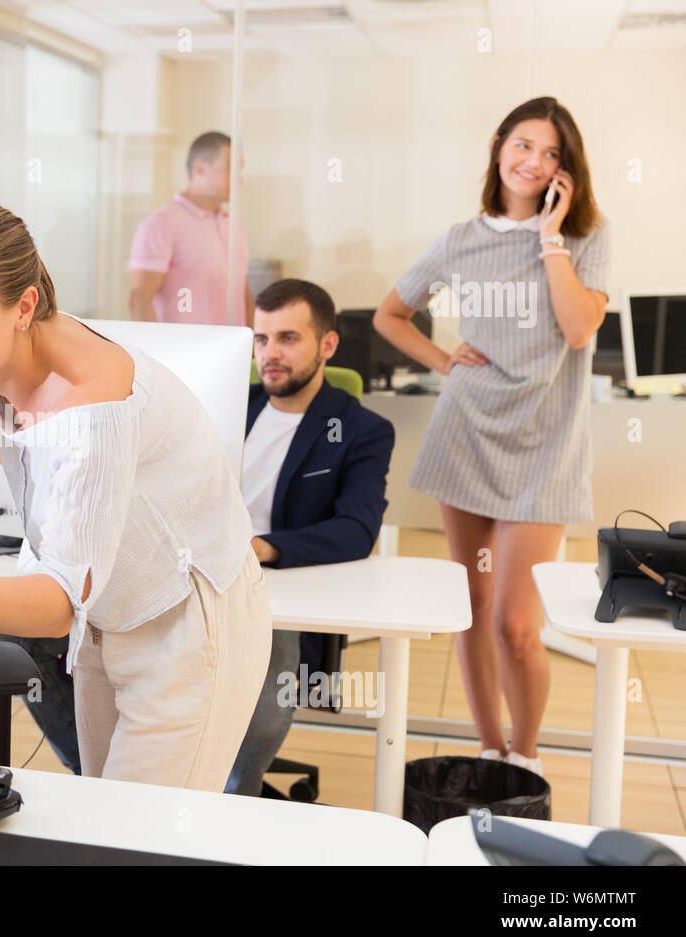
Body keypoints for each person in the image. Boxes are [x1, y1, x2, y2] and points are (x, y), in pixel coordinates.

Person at [0, 200, 271, 791]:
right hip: (113, 616)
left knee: (144, 845)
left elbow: (55, 604)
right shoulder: (28, 346)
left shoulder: (89, 407)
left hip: (184, 631)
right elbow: (12, 444)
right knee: (106, 825)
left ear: (22, 305)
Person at [372, 97, 611, 777]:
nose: (534, 161)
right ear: (499, 145)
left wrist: (550, 237)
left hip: (546, 444)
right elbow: (393, 315)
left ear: (567, 171)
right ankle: (486, 749)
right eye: (524, 145)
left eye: (552, 154)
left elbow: (578, 330)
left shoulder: (586, 236)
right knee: (473, 609)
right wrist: (445, 360)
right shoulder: (458, 239)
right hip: (467, 432)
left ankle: (526, 757)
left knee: (515, 622)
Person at [224, 279, 395, 796]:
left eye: (287, 339)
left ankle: (235, 802)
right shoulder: (231, 405)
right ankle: (124, 787)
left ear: (327, 345)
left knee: (271, 660)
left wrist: (265, 548)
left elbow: (356, 530)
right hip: (199, 569)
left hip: (277, 582)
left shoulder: (361, 429)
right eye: (261, 338)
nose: (269, 354)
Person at [128, 131, 254, 327]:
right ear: (199, 168)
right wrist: (159, 354)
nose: (239, 180)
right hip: (182, 353)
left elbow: (243, 294)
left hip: (231, 351)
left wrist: (252, 347)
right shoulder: (162, 223)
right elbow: (139, 301)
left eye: (240, 170)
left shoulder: (233, 225)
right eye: (230, 169)